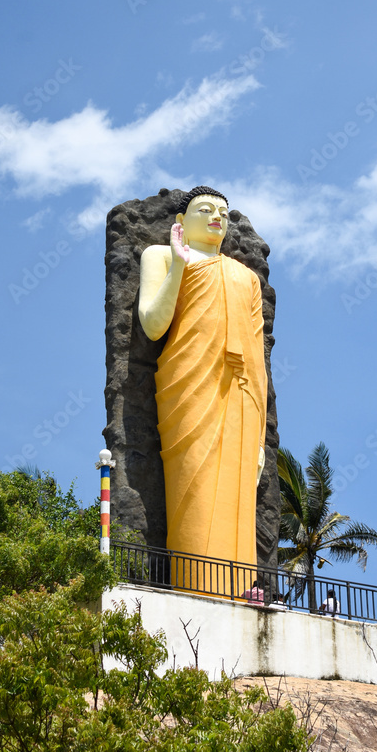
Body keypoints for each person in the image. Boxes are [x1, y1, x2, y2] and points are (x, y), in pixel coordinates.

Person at [138, 187, 267, 588]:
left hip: (241, 393)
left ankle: (241, 589)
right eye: (205, 209)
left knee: (237, 494)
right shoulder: (160, 256)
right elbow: (153, 324)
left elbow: (257, 357)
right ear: (181, 221)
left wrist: (260, 435)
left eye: (223, 213)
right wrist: (178, 264)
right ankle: (193, 586)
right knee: (193, 485)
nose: (216, 217)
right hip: (189, 384)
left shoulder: (246, 277)